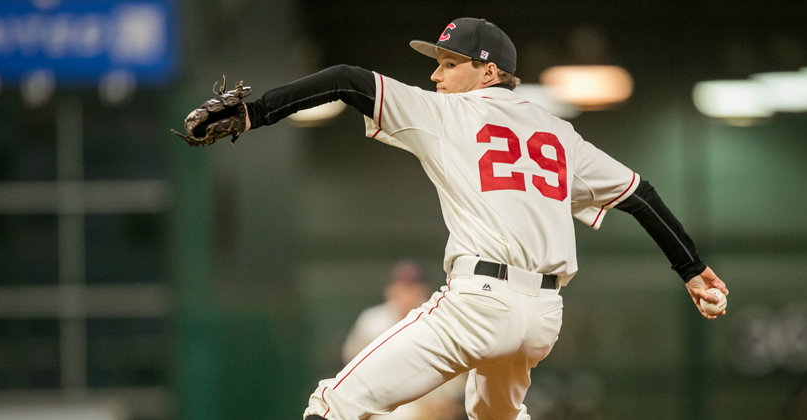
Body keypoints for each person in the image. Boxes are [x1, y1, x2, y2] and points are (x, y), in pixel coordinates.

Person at [194, 16, 730, 420]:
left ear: (488, 71)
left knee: (333, 404)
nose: (436, 73)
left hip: (479, 305)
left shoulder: (451, 111)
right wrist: (692, 269)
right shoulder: (560, 134)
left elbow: (347, 79)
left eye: (450, 63)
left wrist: (254, 111)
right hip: (543, 318)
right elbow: (640, 194)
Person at [341, 261, 466, 420]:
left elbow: (460, 379)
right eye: (401, 288)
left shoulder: (441, 320)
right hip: (383, 403)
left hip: (431, 403)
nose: (406, 295)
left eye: (412, 288)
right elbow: (351, 367)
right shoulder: (372, 322)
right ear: (390, 290)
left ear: (424, 290)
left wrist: (450, 401)